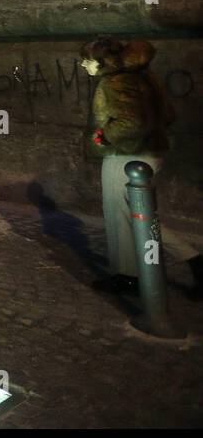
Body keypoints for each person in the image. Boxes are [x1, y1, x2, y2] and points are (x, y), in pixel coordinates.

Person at [80, 37, 202, 297]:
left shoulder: (115, 80)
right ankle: (191, 259)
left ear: (102, 61)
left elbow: (131, 123)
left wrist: (103, 137)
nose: (83, 65)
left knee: (120, 216)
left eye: (87, 60)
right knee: (140, 215)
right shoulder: (142, 74)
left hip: (126, 156)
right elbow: (167, 114)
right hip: (149, 152)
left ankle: (129, 277)